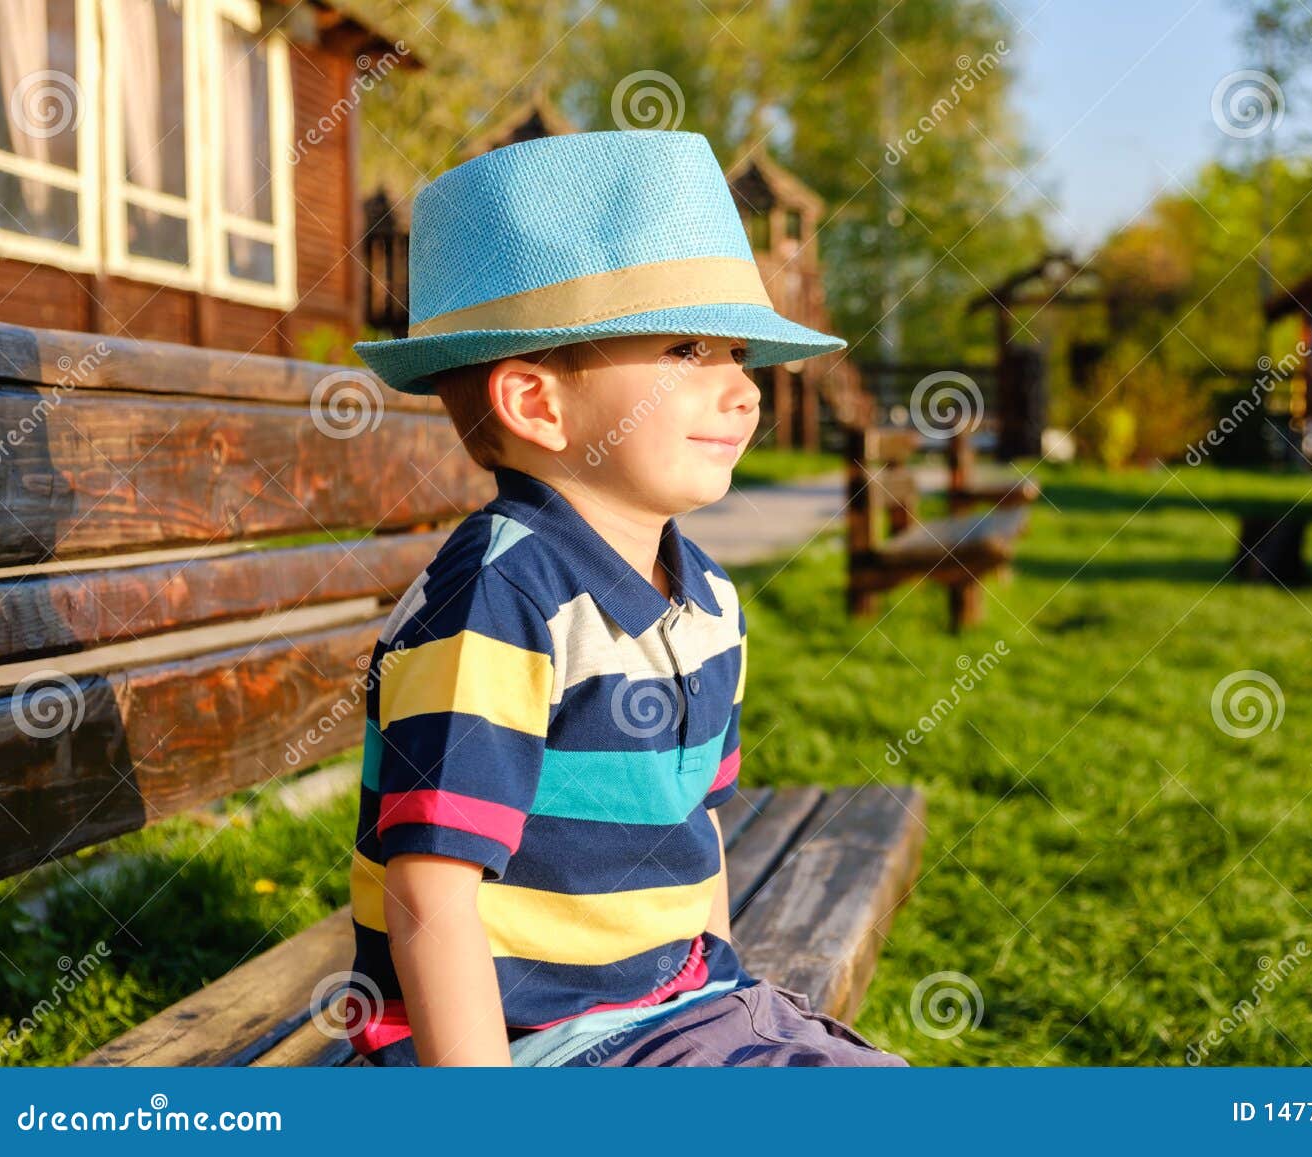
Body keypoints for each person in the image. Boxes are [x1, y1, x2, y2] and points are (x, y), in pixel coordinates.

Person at [343, 131, 907, 1068]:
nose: (743, 387)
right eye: (688, 348)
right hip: (547, 1041)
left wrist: (724, 992)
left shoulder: (711, 598)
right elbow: (429, 892)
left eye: (738, 349)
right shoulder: (500, 601)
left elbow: (703, 831)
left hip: (682, 1004)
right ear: (537, 404)